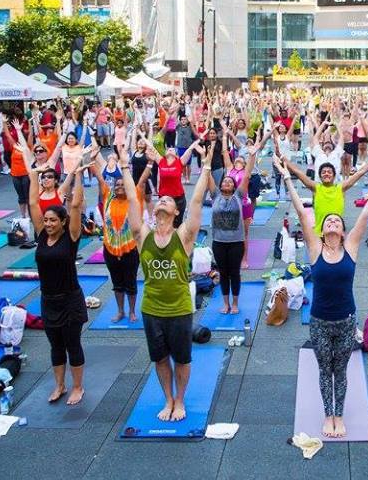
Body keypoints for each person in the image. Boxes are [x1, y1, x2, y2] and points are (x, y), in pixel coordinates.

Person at [274, 153, 368, 438]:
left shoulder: (350, 247)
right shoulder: (315, 249)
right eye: (327, 220)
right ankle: (327, 414)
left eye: (336, 222)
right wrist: (287, 177)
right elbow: (303, 213)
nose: (331, 222)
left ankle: (338, 415)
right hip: (318, 321)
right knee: (322, 369)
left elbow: (364, 215)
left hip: (345, 321)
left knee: (340, 372)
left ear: (342, 230)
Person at [124, 141, 213, 422]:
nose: (162, 200)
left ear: (176, 212)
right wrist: (124, 165)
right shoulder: (142, 235)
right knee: (160, 359)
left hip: (179, 309)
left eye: (168, 200)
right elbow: (131, 196)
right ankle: (168, 399)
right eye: (160, 198)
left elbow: (197, 201)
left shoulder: (184, 237)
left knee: (182, 359)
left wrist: (207, 165)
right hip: (152, 309)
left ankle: (181, 400)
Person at [23, 138, 90, 405]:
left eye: (53, 220)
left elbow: (75, 205)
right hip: (48, 299)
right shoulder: (41, 235)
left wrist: (79, 174)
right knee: (54, 346)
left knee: (72, 344)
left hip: (70, 299)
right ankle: (59, 385)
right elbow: (31, 204)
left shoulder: (70, 237)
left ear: (62, 222)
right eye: (46, 220)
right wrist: (34, 175)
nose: (48, 223)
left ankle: (77, 387)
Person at [94, 149, 153, 323]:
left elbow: (142, 182)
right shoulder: (108, 197)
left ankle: (133, 311)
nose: (119, 187)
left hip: (130, 249)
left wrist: (149, 163)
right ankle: (120, 311)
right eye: (117, 185)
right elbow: (99, 177)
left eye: (122, 185)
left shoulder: (135, 199)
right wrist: (92, 161)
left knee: (131, 282)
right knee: (117, 283)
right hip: (110, 248)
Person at [211, 140, 260, 313]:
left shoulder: (239, 195)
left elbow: (246, 175)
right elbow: (207, 175)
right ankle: (225, 303)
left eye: (229, 182)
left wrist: (252, 155)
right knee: (223, 273)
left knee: (234, 273)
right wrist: (206, 157)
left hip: (236, 242)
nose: (226, 183)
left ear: (234, 186)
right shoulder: (215, 195)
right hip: (218, 241)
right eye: (224, 181)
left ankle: (236, 304)